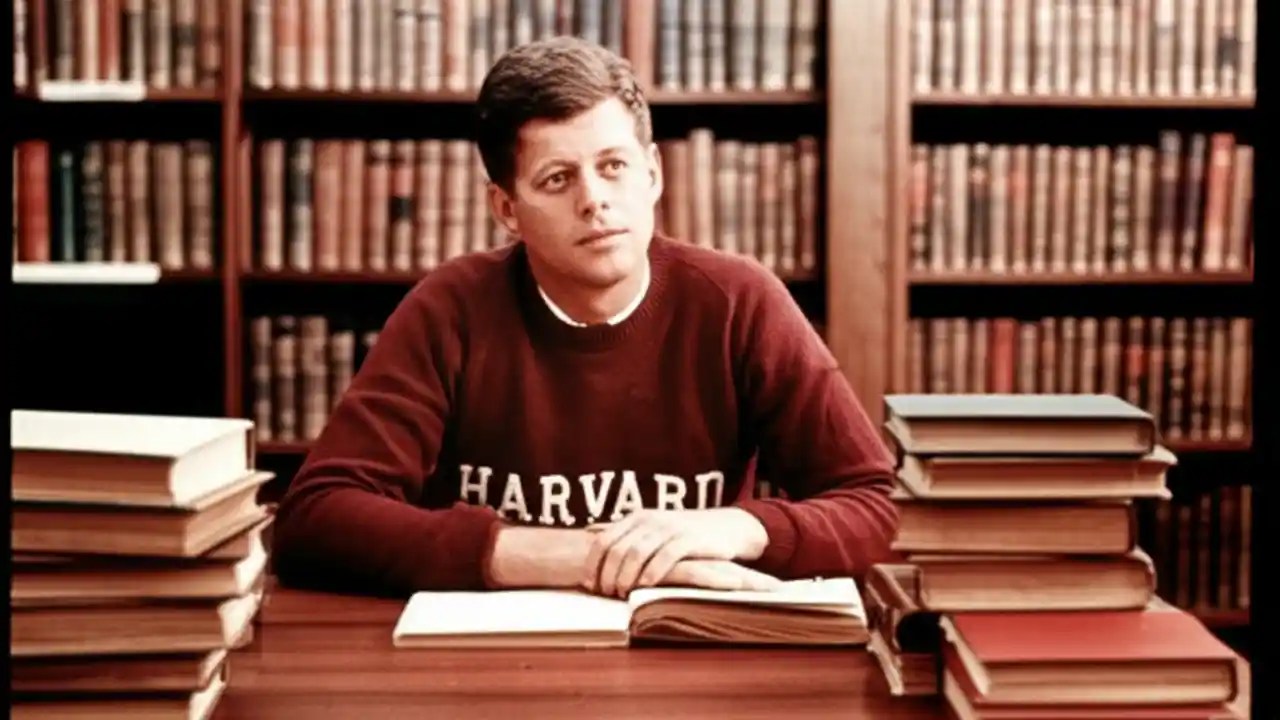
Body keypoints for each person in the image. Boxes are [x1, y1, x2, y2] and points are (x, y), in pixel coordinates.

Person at [271, 36, 899, 600]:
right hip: (488, 669)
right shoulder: (451, 309)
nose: (595, 200)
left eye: (613, 166)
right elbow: (316, 517)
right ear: (507, 208)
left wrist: (737, 527)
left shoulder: (738, 301)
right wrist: (562, 555)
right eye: (556, 178)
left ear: (652, 174)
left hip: (691, 652)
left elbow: (878, 506)